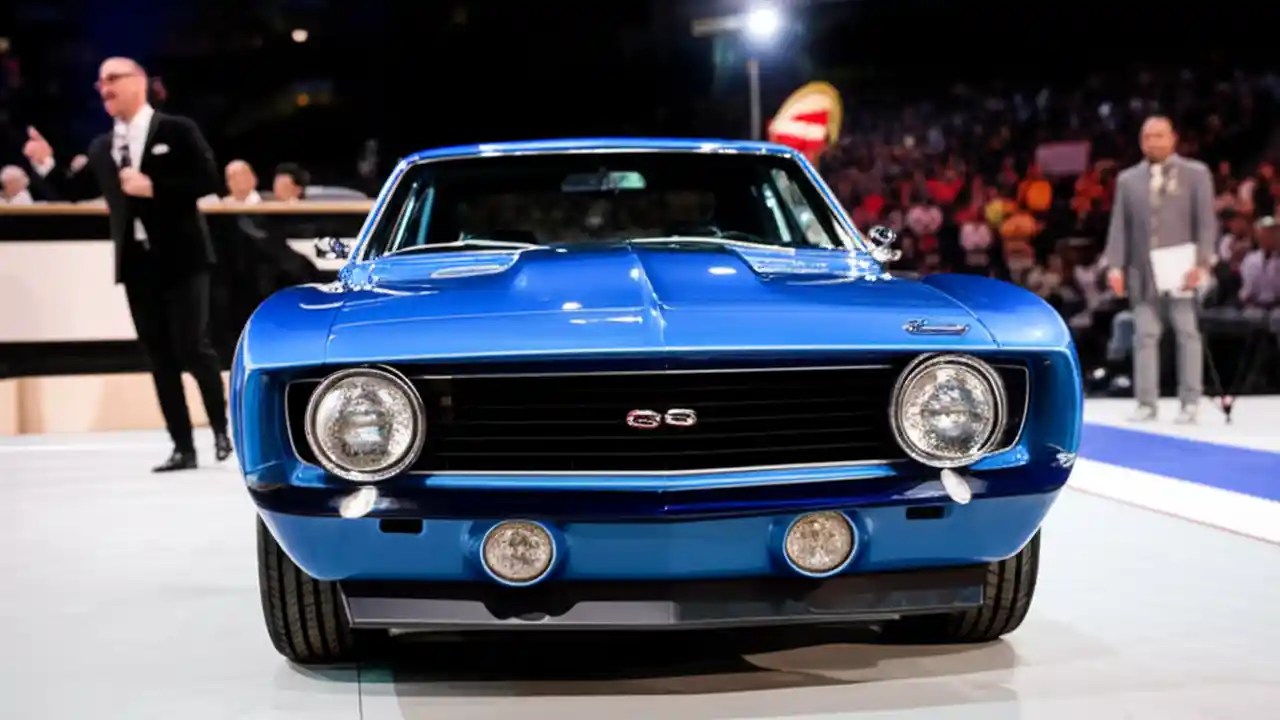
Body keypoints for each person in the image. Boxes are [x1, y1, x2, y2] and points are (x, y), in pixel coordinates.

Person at [22, 56, 230, 470]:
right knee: (159, 356)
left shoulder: (176, 129)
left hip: (184, 257)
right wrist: (44, 162)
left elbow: (208, 178)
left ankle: (222, 430)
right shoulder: (103, 146)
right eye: (99, 82)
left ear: (137, 82)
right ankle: (182, 447)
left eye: (112, 78)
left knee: (193, 347)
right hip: (137, 265)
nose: (103, 88)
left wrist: (155, 187)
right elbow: (70, 190)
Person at [1104, 115, 1216, 423]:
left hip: (1182, 267)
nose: (1153, 142)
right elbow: (1119, 227)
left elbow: (1206, 223)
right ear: (1141, 141)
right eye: (1148, 136)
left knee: (1187, 333)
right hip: (1143, 270)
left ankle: (1190, 401)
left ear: (1173, 138)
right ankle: (1146, 403)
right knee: (1145, 336)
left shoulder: (1196, 174)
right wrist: (1115, 265)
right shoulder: (1128, 180)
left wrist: (1202, 263)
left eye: (1159, 136)